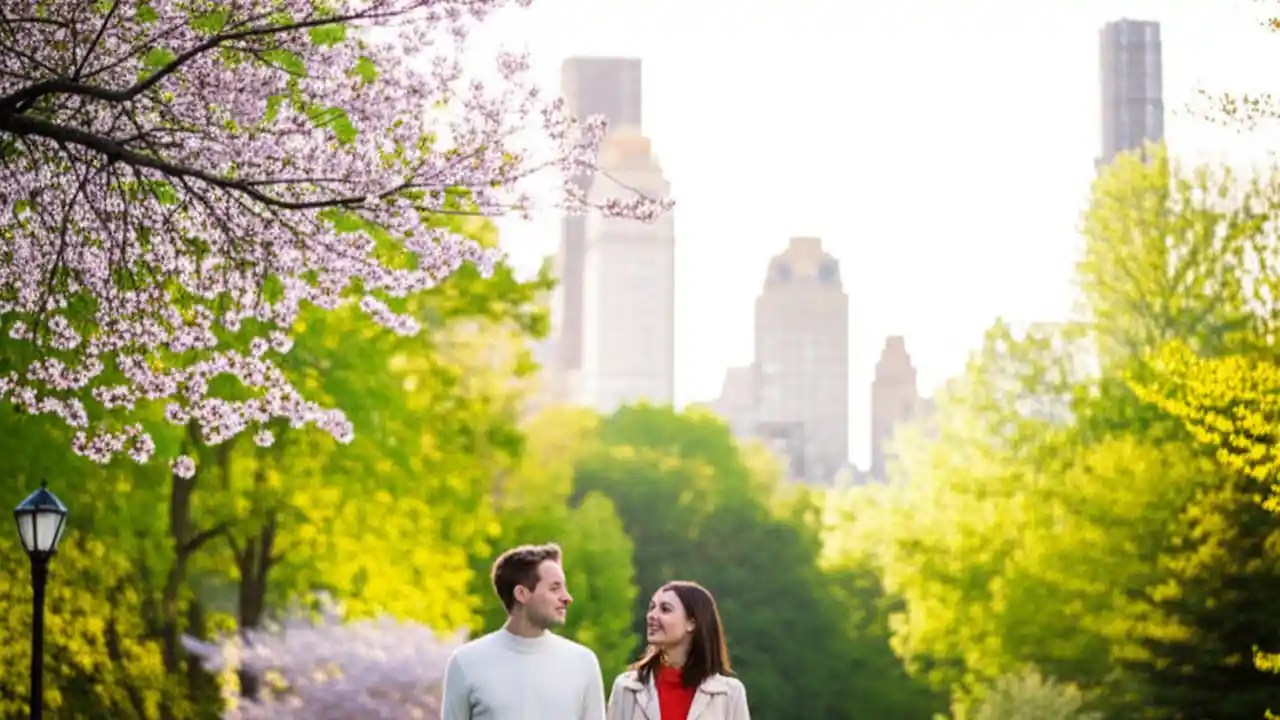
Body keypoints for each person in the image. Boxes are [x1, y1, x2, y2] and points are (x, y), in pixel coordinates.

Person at [441, 542, 606, 720]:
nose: (567, 597)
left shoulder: (583, 663)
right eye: (555, 588)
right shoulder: (466, 663)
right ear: (521, 594)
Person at [606, 580, 750, 720]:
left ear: (691, 623)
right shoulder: (626, 688)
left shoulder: (729, 694)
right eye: (652, 608)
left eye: (665, 609)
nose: (652, 616)